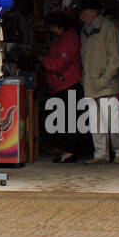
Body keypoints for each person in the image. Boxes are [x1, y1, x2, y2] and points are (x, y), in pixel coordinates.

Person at [78, 0, 119, 164]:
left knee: (112, 120)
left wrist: (105, 79)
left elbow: (116, 59)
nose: (81, 17)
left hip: (107, 84)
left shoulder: (108, 27)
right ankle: (101, 154)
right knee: (95, 122)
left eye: (83, 13)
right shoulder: (85, 30)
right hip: (90, 83)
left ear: (93, 12)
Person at [40, 12, 82, 163]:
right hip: (62, 84)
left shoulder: (69, 38)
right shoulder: (64, 37)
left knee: (70, 120)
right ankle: (67, 149)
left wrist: (43, 60)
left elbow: (59, 64)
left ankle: (71, 151)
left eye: (53, 27)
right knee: (66, 119)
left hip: (68, 83)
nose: (52, 31)